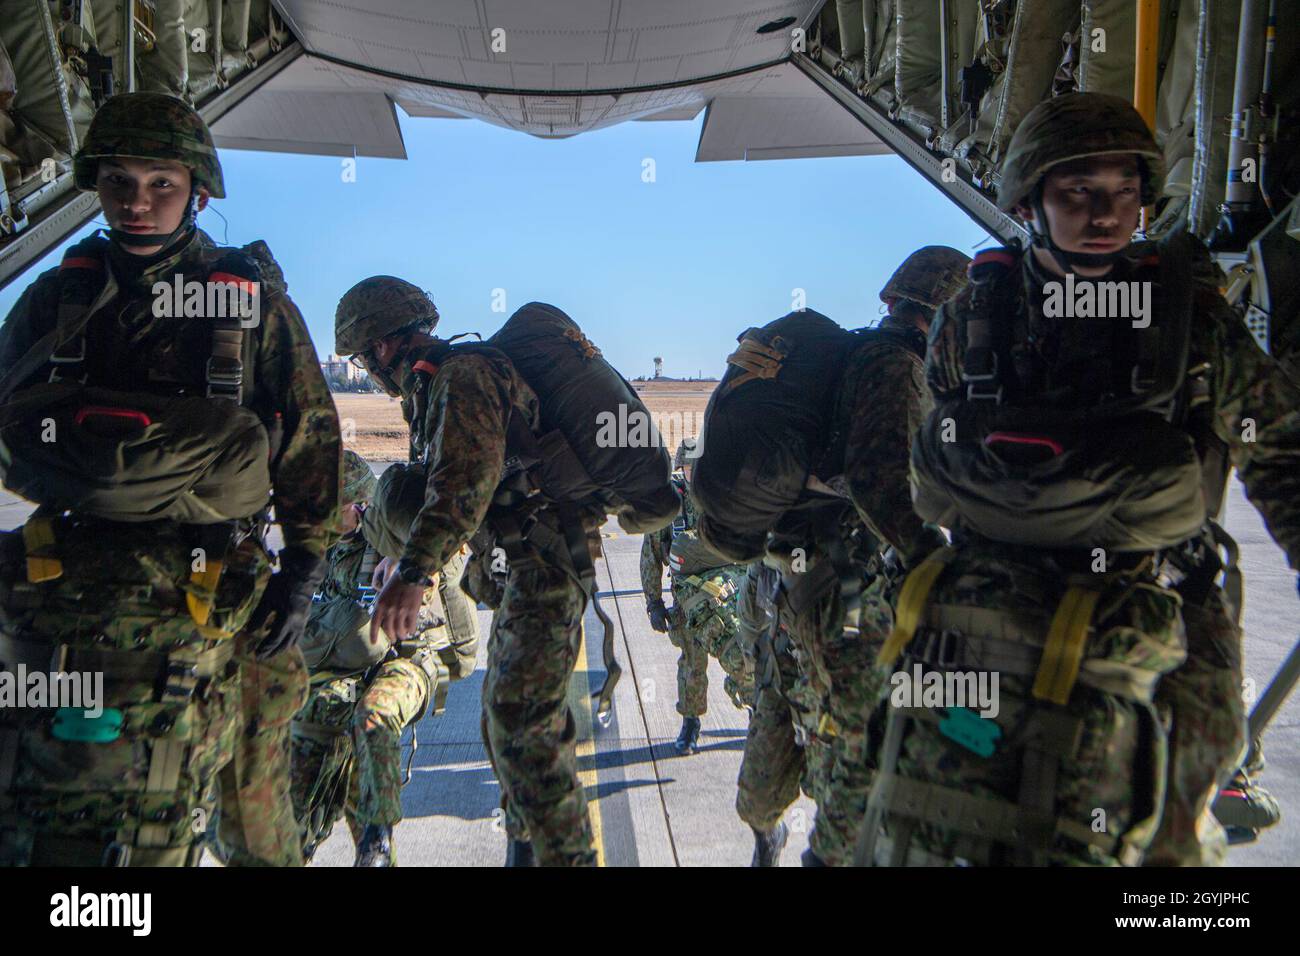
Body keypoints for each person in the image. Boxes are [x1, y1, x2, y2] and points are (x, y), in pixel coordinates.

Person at [882, 91, 1300, 866]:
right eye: (1078, 192)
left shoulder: (1192, 324)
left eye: (1125, 192)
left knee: (1174, 820)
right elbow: (933, 464)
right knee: (938, 798)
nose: (1107, 213)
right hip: (993, 610)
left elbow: (1278, 450)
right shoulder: (974, 318)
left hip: (1155, 599)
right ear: (1031, 202)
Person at [0, 92, 340, 866]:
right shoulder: (60, 298)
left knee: (244, 793)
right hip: (71, 577)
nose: (137, 203)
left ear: (198, 193)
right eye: (120, 182)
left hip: (213, 573)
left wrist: (303, 570)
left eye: (161, 184)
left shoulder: (249, 305)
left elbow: (311, 437)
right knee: (64, 789)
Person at [335, 287, 675, 866]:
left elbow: (463, 484)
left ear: (384, 344)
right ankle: (526, 850)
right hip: (526, 565)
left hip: (543, 563)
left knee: (525, 733)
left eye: (366, 358)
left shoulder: (460, 376)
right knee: (507, 726)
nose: (370, 373)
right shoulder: (439, 382)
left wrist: (413, 573)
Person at [291, 451, 479, 866]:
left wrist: (409, 562)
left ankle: (377, 839)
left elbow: (442, 545)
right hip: (335, 676)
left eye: (332, 510)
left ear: (359, 506)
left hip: (404, 664)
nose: (320, 519)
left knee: (373, 717)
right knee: (303, 800)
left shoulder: (393, 542)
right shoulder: (318, 549)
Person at [640, 438, 754, 754]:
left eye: (699, 468)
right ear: (681, 469)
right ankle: (691, 723)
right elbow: (651, 553)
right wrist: (654, 602)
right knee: (692, 662)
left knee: (745, 652)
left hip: (731, 587)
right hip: (688, 594)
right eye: (689, 468)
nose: (695, 475)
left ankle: (757, 712)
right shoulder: (671, 503)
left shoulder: (724, 498)